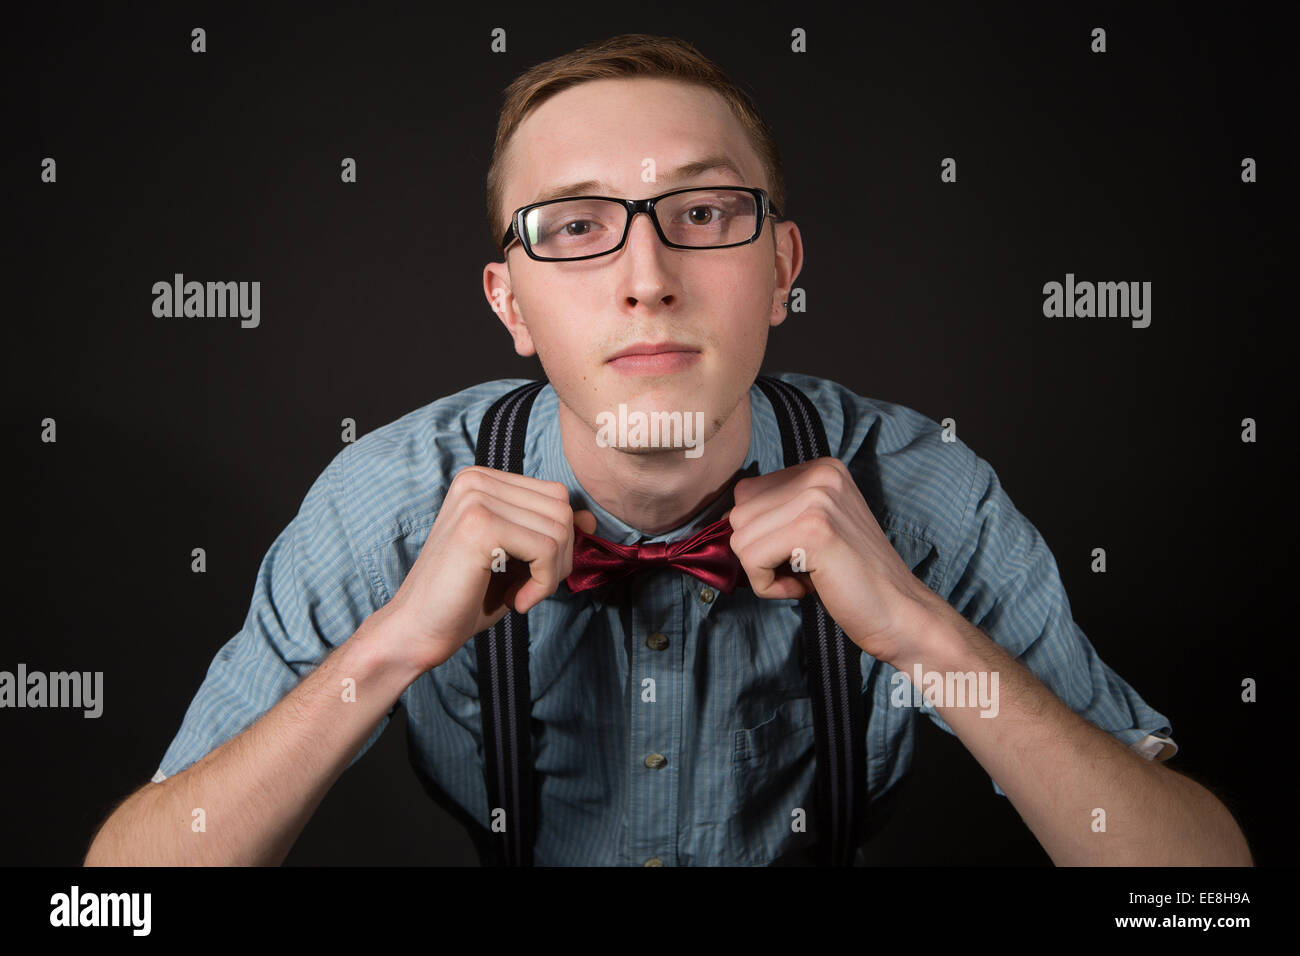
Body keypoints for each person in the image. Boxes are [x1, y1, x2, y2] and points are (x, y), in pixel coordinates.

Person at [84, 33, 1252, 867]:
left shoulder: (930, 493)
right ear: (510, 302)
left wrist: (914, 626)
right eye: (577, 228)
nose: (647, 278)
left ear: (783, 268)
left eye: (702, 214)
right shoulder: (383, 501)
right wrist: (391, 647)